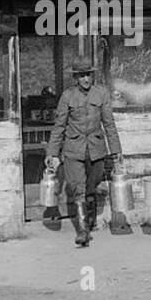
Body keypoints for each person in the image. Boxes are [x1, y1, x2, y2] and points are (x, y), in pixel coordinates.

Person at [45, 55, 121, 247]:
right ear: (76, 78)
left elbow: (109, 124)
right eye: (81, 76)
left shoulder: (101, 94)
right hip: (74, 150)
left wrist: (116, 150)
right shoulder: (67, 96)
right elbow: (59, 127)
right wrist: (52, 152)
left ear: (92, 76)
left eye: (88, 75)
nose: (86, 79)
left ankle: (90, 219)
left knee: (91, 185)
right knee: (78, 188)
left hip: (96, 150)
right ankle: (83, 231)